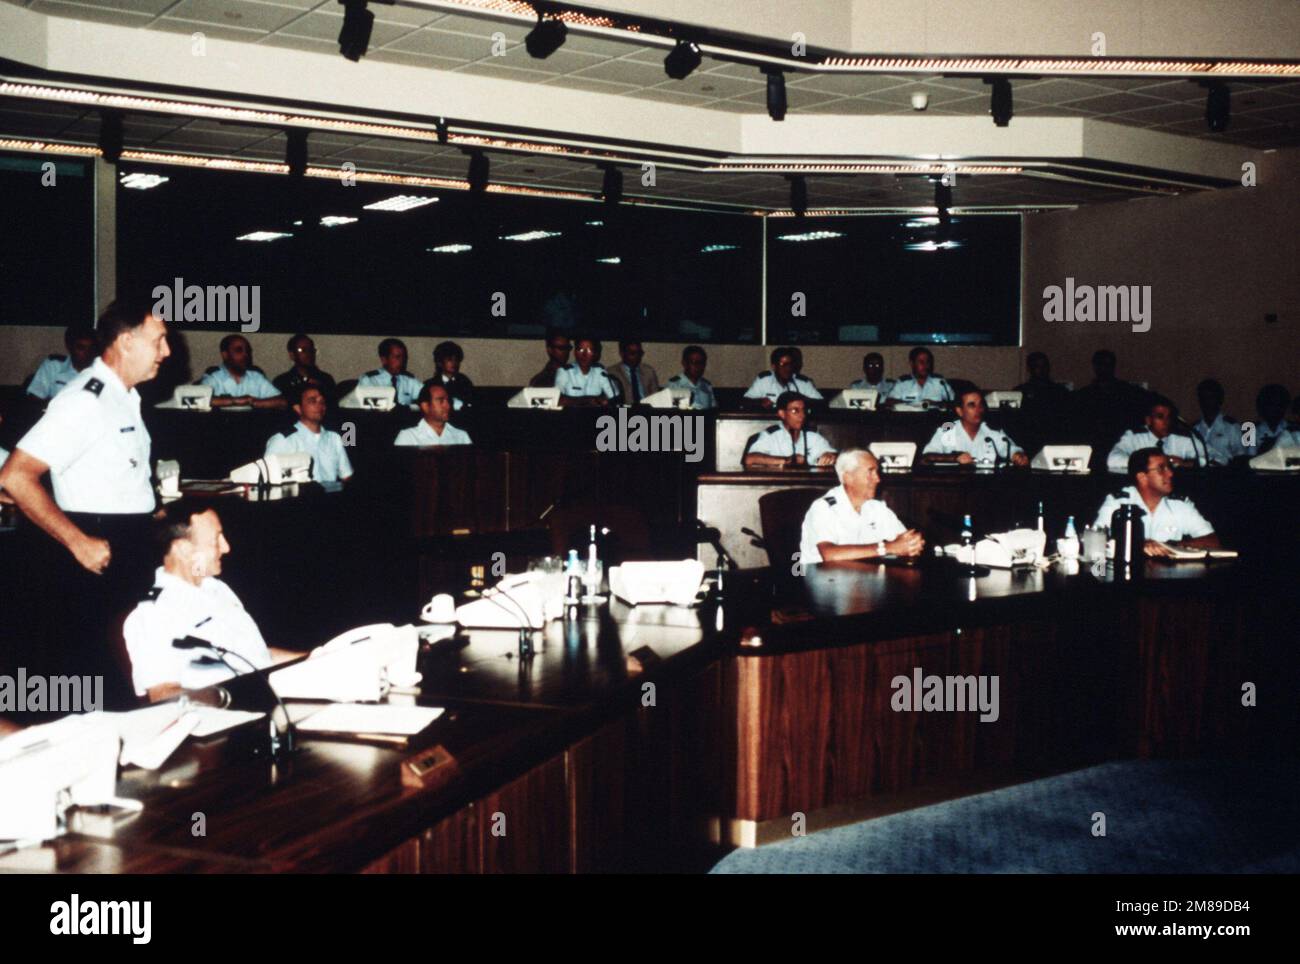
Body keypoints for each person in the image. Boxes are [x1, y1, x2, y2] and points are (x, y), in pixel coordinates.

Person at [0, 299, 171, 707]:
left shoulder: (124, 396)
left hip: (127, 545)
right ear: (126, 342)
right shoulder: (84, 400)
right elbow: (15, 477)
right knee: (95, 679)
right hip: (95, 550)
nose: (166, 351)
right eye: (159, 340)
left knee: (129, 672)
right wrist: (78, 541)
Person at [123, 503, 296, 703]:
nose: (226, 547)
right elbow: (162, 695)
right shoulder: (155, 613)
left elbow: (259, 659)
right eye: (216, 540)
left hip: (267, 697)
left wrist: (318, 658)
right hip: (228, 718)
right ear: (184, 550)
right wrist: (229, 697)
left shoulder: (217, 589)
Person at [798, 448, 925, 565]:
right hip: (822, 582)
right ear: (848, 477)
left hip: (864, 579)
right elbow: (829, 554)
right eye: (870, 472)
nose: (877, 479)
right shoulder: (824, 508)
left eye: (877, 472)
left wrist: (912, 544)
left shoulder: (876, 508)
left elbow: (903, 540)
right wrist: (887, 548)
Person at [1093, 448, 1220, 556]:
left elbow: (1212, 541)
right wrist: (1138, 544)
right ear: (1142, 478)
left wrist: (1171, 545)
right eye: (1161, 469)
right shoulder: (1118, 502)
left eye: (1169, 467)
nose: (1170, 473)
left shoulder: (1180, 505)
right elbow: (1095, 540)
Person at [264, 385, 354, 484]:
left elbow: (346, 476)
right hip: (300, 498)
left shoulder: (334, 438)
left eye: (322, 402)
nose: (319, 405)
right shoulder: (283, 440)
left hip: (332, 496)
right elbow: (268, 480)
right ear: (298, 408)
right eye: (312, 401)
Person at [921, 388, 1029, 467]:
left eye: (980, 405)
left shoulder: (991, 429)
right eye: (972, 405)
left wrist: (1017, 456)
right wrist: (954, 458)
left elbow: (1010, 449)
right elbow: (926, 457)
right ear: (959, 411)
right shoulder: (948, 429)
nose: (979, 410)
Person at [1106, 396, 1205, 473]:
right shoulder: (1134, 436)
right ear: (1148, 420)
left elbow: (1215, 459)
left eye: (1169, 417)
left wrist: (1187, 463)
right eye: (1160, 417)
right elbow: (1113, 459)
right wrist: (1157, 462)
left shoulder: (1183, 438)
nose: (1166, 422)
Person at [742, 392, 837, 469]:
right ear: (782, 414)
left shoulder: (811, 435)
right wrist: (787, 460)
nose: (802, 415)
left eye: (804, 410)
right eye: (795, 411)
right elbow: (750, 458)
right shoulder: (771, 435)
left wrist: (830, 456)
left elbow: (834, 455)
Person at [199, 335, 286, 409]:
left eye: (247, 351)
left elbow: (282, 401)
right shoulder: (214, 377)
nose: (245, 355)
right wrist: (236, 401)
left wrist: (253, 402)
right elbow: (199, 400)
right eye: (238, 350)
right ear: (225, 355)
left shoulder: (256, 377)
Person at [1071, 349, 1151, 423]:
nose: (1103, 368)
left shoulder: (1127, 391)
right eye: (1100, 364)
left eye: (1106, 365)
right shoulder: (1084, 395)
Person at [26, 324, 98, 400]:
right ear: (69, 347)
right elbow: (34, 398)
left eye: (91, 348)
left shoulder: (99, 372)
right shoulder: (53, 367)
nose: (87, 353)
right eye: (81, 348)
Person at [743, 347, 824, 409]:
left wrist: (803, 400)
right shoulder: (764, 380)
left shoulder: (803, 383)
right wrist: (760, 402)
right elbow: (745, 401)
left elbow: (821, 403)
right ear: (774, 366)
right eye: (783, 365)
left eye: (790, 364)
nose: (788, 368)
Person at [394, 383, 473, 447]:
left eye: (448, 400)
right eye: (441, 400)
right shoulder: (408, 437)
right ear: (425, 406)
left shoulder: (461, 436)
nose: (448, 405)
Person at [555, 336, 621, 406]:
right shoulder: (564, 372)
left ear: (595, 353)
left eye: (589, 350)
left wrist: (604, 400)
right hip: (572, 415)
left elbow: (614, 398)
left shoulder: (600, 372)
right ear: (575, 352)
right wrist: (587, 400)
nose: (584, 354)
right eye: (580, 350)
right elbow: (557, 400)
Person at [1192, 378, 1245, 465]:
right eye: (1203, 398)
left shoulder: (1231, 427)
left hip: (1225, 474)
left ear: (1220, 399)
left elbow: (1240, 456)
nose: (1207, 402)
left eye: (1211, 397)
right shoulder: (1195, 429)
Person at [272, 333, 336, 401]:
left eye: (311, 349)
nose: (308, 353)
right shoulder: (282, 382)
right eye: (302, 350)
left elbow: (333, 406)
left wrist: (321, 389)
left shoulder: (326, 380)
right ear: (292, 355)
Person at [358, 338, 422, 406]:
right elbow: (365, 406)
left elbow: (426, 397)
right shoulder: (369, 380)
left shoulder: (409, 380)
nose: (402, 361)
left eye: (404, 357)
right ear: (384, 360)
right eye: (397, 357)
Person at [884, 347, 954, 407]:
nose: (925, 365)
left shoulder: (939, 381)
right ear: (912, 363)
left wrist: (935, 403)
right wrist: (913, 404)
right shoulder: (903, 382)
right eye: (921, 362)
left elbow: (954, 402)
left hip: (934, 419)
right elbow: (889, 401)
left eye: (928, 362)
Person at [608, 339, 662, 404]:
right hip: (623, 411)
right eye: (632, 353)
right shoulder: (612, 373)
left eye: (639, 353)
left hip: (646, 410)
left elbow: (656, 397)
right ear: (622, 354)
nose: (637, 356)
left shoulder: (648, 371)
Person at [666, 345, 717, 410]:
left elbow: (713, 409)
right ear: (684, 363)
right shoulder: (674, 384)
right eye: (694, 362)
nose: (698, 367)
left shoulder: (707, 385)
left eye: (702, 363)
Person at [427, 341, 473, 411]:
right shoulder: (431, 384)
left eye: (456, 360)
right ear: (439, 362)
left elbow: (470, 403)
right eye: (449, 360)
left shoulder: (464, 381)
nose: (454, 363)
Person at [1248, 384, 1293, 455]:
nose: (1275, 409)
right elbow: (1250, 457)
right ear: (1262, 407)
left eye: (1279, 405)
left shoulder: (1293, 430)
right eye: (1270, 405)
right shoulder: (1251, 431)